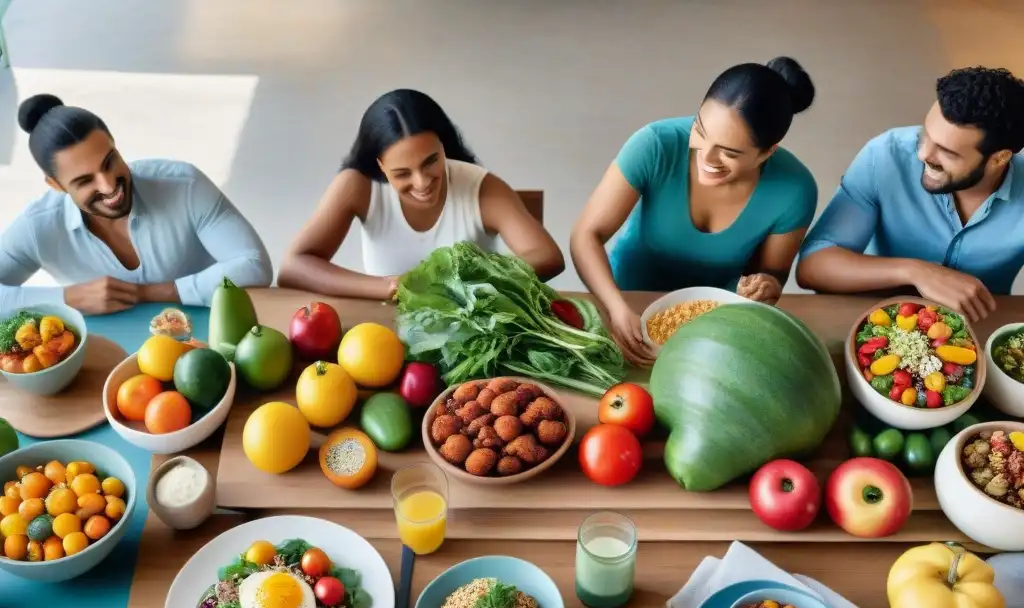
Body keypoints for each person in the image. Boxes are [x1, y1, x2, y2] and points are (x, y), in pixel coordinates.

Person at [570, 57, 818, 366]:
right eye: (699, 131)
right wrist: (616, 308)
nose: (706, 157)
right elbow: (585, 235)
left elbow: (770, 272)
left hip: (717, 323)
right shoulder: (655, 145)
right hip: (627, 303)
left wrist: (767, 285)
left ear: (767, 152)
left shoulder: (795, 188)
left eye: (729, 153)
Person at [0, 94, 272, 316]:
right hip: (106, 360)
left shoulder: (183, 185)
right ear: (56, 186)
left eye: (109, 161)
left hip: (210, 334)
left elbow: (254, 265)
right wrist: (70, 298)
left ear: (115, 145)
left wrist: (149, 293)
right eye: (85, 181)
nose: (108, 186)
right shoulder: (38, 225)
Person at [277, 89, 564, 299]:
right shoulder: (358, 185)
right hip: (387, 330)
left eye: (431, 161)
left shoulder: (481, 188)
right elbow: (293, 266)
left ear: (443, 146)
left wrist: (464, 281)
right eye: (402, 173)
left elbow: (548, 256)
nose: (422, 182)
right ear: (380, 166)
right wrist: (390, 286)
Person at [796, 66, 1024, 322]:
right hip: (878, 322)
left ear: (999, 158)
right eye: (926, 134)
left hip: (983, 327)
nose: (923, 155)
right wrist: (916, 271)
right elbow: (813, 267)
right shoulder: (885, 156)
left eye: (947, 152)